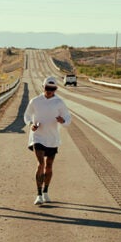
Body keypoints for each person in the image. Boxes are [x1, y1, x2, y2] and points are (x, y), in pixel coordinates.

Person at [23, 76, 72, 206]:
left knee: (49, 165)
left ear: (55, 89)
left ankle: (45, 192)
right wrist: (30, 125)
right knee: (41, 164)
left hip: (52, 138)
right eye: (47, 88)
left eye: (52, 89)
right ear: (43, 87)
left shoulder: (59, 102)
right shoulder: (35, 101)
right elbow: (27, 115)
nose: (49, 91)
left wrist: (63, 121)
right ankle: (38, 195)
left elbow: (68, 117)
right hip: (37, 137)